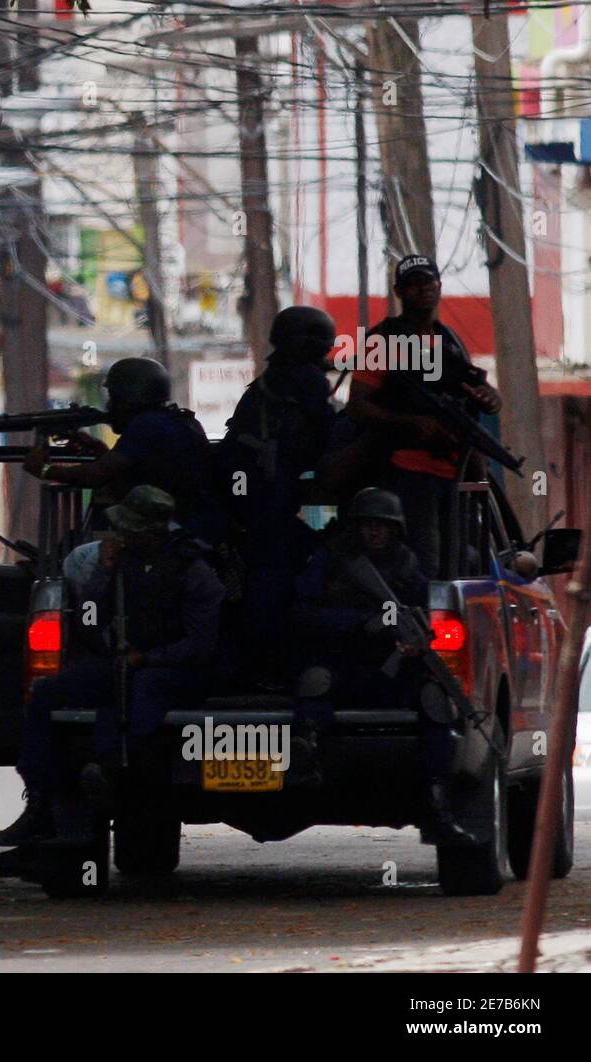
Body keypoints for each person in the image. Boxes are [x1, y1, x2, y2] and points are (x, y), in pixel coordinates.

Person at [0, 486, 225, 860]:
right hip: (123, 664)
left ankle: (113, 775)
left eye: (132, 531)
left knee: (139, 694)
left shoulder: (194, 571)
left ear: (154, 532)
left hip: (173, 670)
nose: (122, 537)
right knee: (48, 693)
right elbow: (90, 620)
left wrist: (149, 658)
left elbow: (200, 646)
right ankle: (41, 802)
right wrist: (103, 574)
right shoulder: (120, 564)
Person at [290, 487, 477, 844]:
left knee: (436, 702)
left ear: (395, 530)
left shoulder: (406, 565)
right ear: (356, 528)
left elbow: (432, 613)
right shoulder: (331, 561)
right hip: (342, 662)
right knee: (315, 681)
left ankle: (436, 808)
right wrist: (361, 622)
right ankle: (306, 761)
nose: (375, 532)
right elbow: (302, 612)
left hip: (390, 669)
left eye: (382, 526)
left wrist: (418, 643)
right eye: (368, 525)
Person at [346, 254, 503, 578]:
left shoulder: (449, 341)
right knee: (427, 566)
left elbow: (479, 388)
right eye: (413, 284)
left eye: (428, 282)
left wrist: (491, 399)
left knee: (460, 564)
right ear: (399, 291)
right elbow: (358, 406)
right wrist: (413, 422)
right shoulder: (384, 341)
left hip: (453, 471)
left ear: (439, 287)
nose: (423, 291)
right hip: (408, 470)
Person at [221, 306, 337, 684]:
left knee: (268, 575)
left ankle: (257, 665)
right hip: (270, 498)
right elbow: (325, 436)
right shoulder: (306, 381)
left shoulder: (270, 382)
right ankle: (268, 667)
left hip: (252, 498)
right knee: (277, 578)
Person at [21, 357, 219, 542]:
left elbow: (96, 476)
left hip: (175, 534)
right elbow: (141, 470)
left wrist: (45, 470)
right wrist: (99, 451)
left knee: (80, 557)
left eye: (113, 399)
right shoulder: (176, 421)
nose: (108, 406)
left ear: (126, 402)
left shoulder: (146, 425)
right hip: (192, 528)